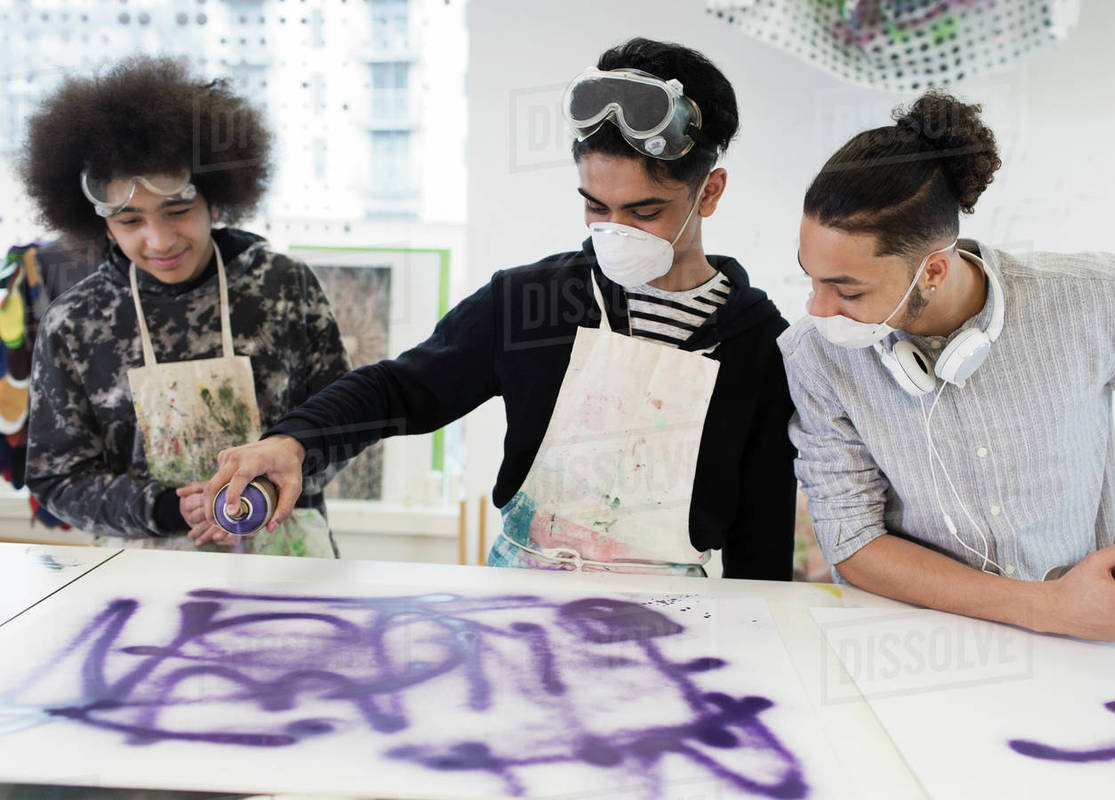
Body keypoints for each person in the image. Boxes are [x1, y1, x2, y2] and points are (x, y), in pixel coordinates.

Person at [204, 38, 797, 579]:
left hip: (674, 616)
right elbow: (400, 389)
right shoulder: (533, 302)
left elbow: (762, 526)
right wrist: (294, 441)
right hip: (525, 596)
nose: (615, 231)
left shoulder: (757, 343)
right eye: (595, 207)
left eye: (644, 213)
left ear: (709, 192)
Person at [778, 89, 1115, 641]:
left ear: (931, 272)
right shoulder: (816, 356)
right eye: (809, 277)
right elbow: (853, 542)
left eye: (846, 290)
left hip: (1092, 642)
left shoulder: (1095, 300)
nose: (817, 308)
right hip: (917, 642)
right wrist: (1047, 606)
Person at [21, 56, 352, 556]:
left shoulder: (283, 287)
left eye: (177, 211)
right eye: (131, 221)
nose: (160, 240)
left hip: (286, 559)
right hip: (141, 576)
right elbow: (56, 479)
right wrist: (169, 508)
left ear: (215, 202)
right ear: (102, 225)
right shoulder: (75, 322)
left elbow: (348, 421)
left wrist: (266, 483)